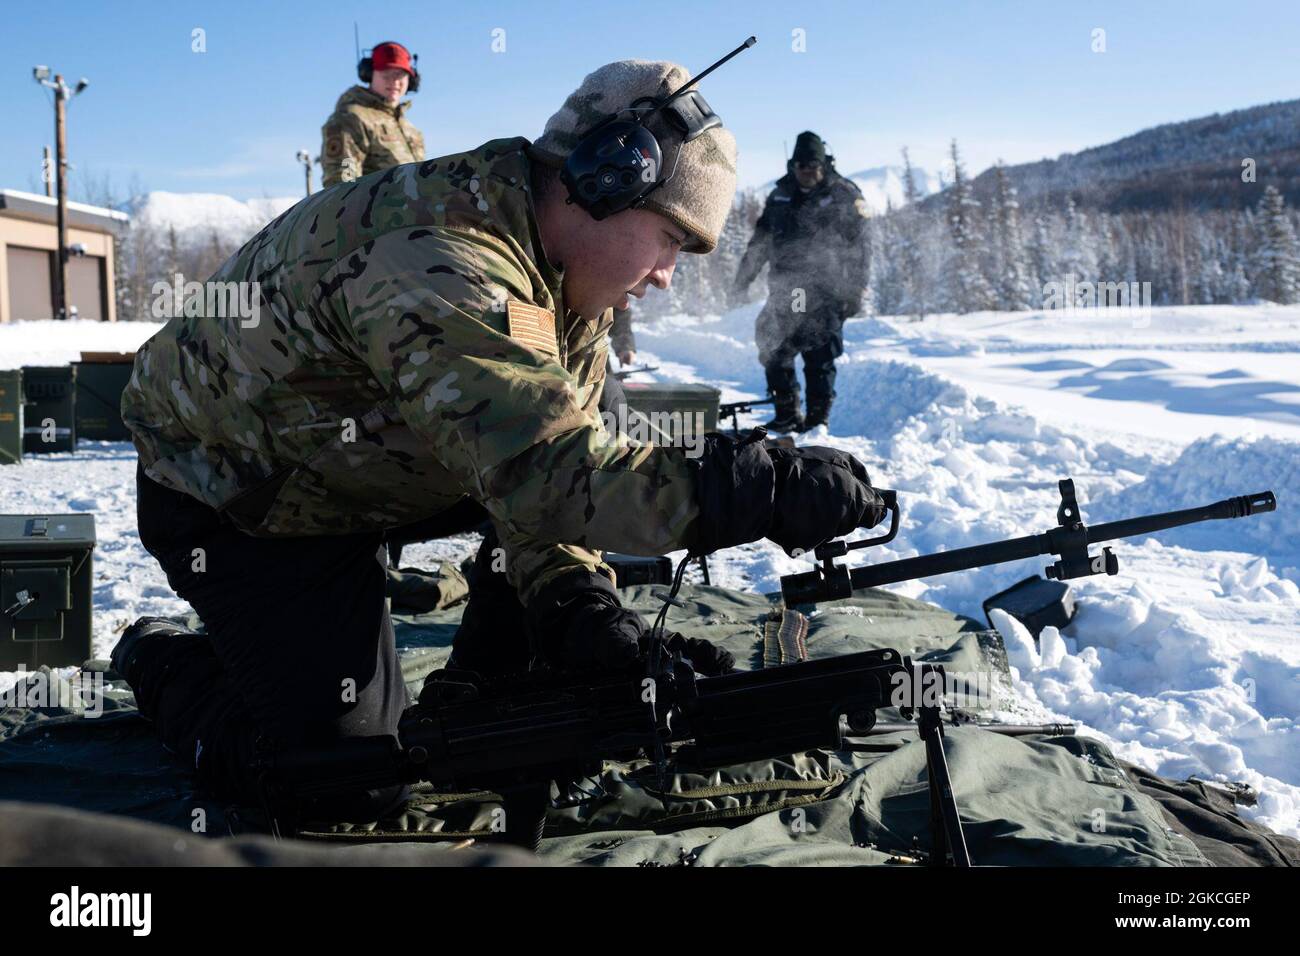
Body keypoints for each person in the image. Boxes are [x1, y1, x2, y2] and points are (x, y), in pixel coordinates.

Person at [114, 61, 885, 823]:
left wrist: (575, 602)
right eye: (671, 241)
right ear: (607, 180)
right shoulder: (441, 254)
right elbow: (550, 474)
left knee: (587, 462)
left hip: (388, 458)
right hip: (247, 501)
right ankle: (161, 658)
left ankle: (489, 672)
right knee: (343, 778)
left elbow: (556, 448)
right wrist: (759, 488)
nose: (665, 277)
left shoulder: (557, 273)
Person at [732, 131, 870, 432]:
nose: (807, 172)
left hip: (828, 290)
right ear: (792, 165)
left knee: (819, 353)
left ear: (824, 164)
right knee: (772, 343)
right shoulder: (780, 195)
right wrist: (742, 281)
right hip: (788, 288)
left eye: (813, 165)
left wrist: (858, 288)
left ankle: (817, 421)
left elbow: (861, 247)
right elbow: (760, 243)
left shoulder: (844, 195)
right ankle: (787, 413)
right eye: (801, 166)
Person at [320, 40, 426, 187]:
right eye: (386, 73)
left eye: (400, 74)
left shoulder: (411, 130)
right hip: (370, 209)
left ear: (411, 79)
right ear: (370, 74)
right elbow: (341, 184)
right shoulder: (352, 118)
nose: (394, 81)